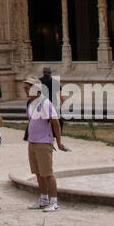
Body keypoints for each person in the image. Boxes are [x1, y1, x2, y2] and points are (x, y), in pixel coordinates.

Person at [22, 77, 69, 211]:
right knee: (38, 173)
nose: (25, 90)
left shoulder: (45, 103)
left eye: (27, 88)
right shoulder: (30, 103)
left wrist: (58, 141)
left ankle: (54, 202)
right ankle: (43, 199)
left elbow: (55, 123)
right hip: (32, 142)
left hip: (43, 142)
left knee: (47, 173)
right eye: (24, 88)